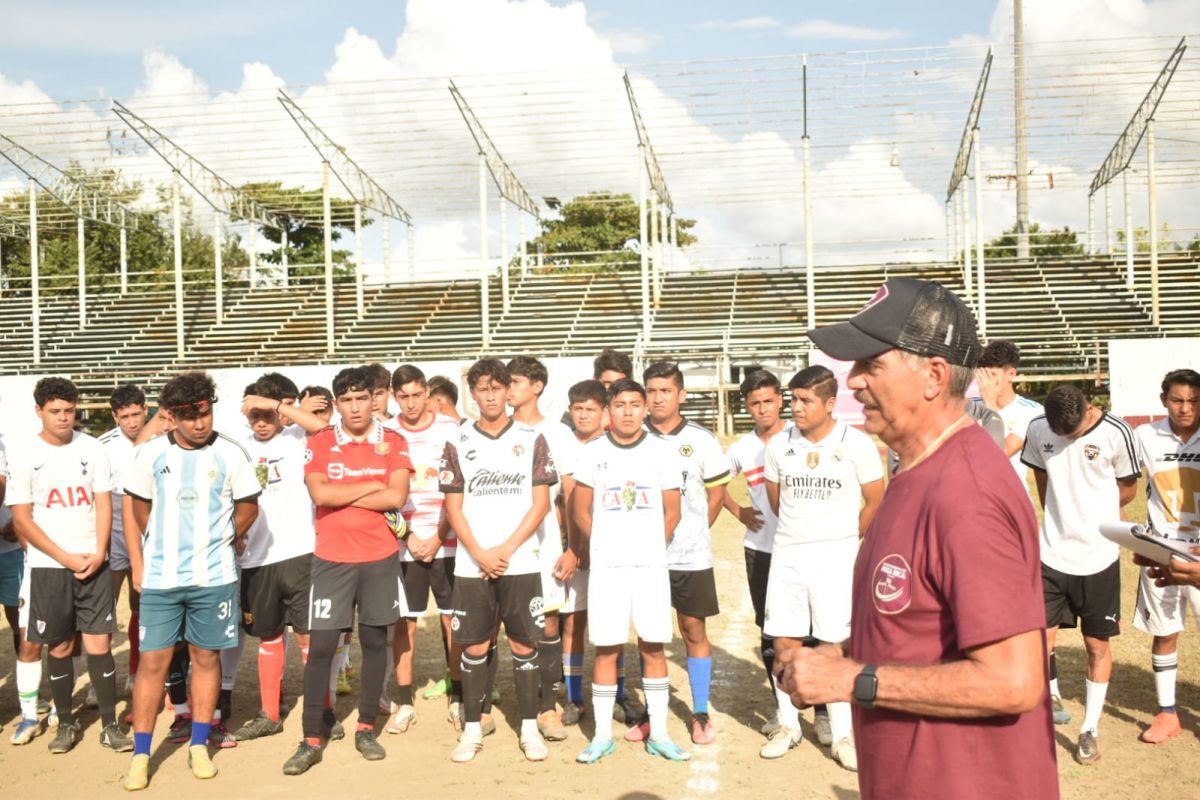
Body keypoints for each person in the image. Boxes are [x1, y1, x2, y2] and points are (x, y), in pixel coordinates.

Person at [777, 277, 1058, 800]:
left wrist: (853, 679)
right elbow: (918, 628)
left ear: (932, 375)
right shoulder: (918, 472)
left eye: (871, 364)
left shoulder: (966, 493)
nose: (853, 381)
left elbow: (1013, 682)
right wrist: (841, 654)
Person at [122, 372, 260, 790]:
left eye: (206, 412)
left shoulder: (231, 453)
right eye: (190, 415)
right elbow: (139, 510)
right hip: (162, 579)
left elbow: (248, 507)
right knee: (153, 663)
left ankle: (199, 743)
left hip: (213, 578)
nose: (200, 423)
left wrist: (218, 538)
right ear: (170, 416)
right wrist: (146, 559)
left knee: (206, 659)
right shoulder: (149, 455)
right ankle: (141, 753)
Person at [283, 367, 411, 776]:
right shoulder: (320, 441)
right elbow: (320, 492)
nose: (355, 407)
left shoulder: (393, 440)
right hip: (332, 559)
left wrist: (348, 496)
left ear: (373, 401)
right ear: (336, 404)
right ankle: (310, 739)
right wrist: (371, 489)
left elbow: (398, 495)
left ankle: (367, 727)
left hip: (379, 558)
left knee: (375, 644)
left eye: (362, 399)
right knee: (321, 648)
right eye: (347, 400)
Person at [760, 366, 884, 769]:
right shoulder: (779, 445)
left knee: (838, 646)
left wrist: (847, 538)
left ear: (831, 404)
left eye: (805, 400)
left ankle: (844, 736)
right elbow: (778, 502)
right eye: (793, 399)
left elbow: (876, 501)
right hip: (789, 555)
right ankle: (788, 724)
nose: (795, 407)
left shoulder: (858, 444)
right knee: (785, 643)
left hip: (837, 558)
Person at [439, 358, 557, 764]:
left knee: (525, 643)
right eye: (482, 389)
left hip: (519, 560)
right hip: (473, 563)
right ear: (472, 394)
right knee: (474, 645)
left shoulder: (533, 438)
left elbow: (541, 504)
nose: (490, 396)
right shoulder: (457, 441)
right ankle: (472, 729)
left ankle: (528, 729)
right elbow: (453, 508)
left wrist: (506, 549)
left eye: (497, 388)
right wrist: (480, 552)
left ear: (509, 390)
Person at [6, 377, 131, 755]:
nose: (63, 418)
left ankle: (109, 726)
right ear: (39, 411)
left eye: (69, 410)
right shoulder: (24, 453)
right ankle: (67, 722)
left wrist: (98, 552)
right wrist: (63, 557)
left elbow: (104, 504)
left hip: (93, 563)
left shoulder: (92, 448)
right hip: (49, 567)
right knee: (59, 647)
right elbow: (22, 519)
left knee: (99, 643)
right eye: (55, 411)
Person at [572, 378, 689, 763]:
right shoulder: (592, 453)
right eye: (619, 404)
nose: (627, 412)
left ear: (644, 409)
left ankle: (661, 733)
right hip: (608, 567)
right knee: (607, 647)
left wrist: (652, 542)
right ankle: (603, 735)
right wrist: (603, 542)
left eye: (634, 404)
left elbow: (673, 510)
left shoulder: (663, 451)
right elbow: (579, 510)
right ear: (609, 410)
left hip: (650, 566)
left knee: (653, 646)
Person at [1022, 383, 1138, 764]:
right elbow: (1042, 477)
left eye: (1072, 434)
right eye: (1061, 435)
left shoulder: (1117, 433)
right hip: (1051, 553)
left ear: (1089, 409)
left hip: (1099, 558)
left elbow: (1129, 489)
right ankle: (1043, 710)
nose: (1066, 439)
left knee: (1097, 646)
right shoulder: (1039, 429)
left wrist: (1094, 509)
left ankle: (1089, 728)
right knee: (1038, 640)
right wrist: (1060, 511)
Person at [636, 361, 730, 746]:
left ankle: (701, 711)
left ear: (681, 395)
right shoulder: (631, 437)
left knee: (693, 630)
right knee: (649, 635)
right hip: (644, 557)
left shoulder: (701, 439)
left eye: (665, 391)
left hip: (690, 557)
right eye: (652, 391)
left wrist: (693, 533)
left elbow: (718, 493)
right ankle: (652, 712)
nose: (657, 398)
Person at [231, 378, 327, 743]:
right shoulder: (239, 450)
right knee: (268, 636)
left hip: (301, 554)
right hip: (256, 559)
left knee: (309, 636)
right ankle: (269, 713)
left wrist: (278, 406)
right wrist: (236, 534)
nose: (260, 421)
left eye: (265, 412)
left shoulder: (296, 439)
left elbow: (326, 428)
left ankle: (322, 712)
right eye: (253, 414)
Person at [382, 364, 462, 731]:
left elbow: (460, 489)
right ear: (394, 396)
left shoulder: (451, 428)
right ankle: (403, 701)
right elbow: (383, 497)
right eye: (404, 396)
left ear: (427, 392)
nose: (411, 403)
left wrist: (438, 533)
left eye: (417, 394)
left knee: (452, 620)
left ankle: (458, 695)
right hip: (405, 544)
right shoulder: (386, 432)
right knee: (405, 625)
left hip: (448, 542)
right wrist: (409, 536)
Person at [507, 355, 578, 743]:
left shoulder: (558, 433)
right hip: (503, 545)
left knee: (549, 622)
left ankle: (548, 705)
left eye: (516, 381)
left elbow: (569, 494)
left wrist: (573, 549)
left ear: (536, 386)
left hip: (545, 542)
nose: (509, 388)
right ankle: (490, 706)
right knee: (510, 625)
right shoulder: (495, 430)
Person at [1130, 369, 1200, 744]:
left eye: (1193, 400)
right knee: (1164, 630)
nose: (1185, 408)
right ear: (1163, 401)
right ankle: (1167, 712)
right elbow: (1122, 479)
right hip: (1161, 550)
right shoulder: (1145, 436)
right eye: (1177, 400)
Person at [721, 369, 791, 735]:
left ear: (781, 400)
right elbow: (713, 484)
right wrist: (739, 511)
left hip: (798, 549)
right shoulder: (742, 449)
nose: (763, 409)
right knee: (770, 632)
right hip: (760, 551)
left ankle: (823, 711)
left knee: (811, 632)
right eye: (755, 403)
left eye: (768, 400)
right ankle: (782, 708)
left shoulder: (799, 438)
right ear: (746, 406)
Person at [559, 379, 607, 725]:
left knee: (610, 625)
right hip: (571, 550)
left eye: (591, 409)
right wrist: (575, 549)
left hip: (608, 550)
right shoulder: (560, 444)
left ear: (604, 412)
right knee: (573, 623)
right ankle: (574, 698)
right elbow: (565, 502)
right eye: (578, 408)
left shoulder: (613, 445)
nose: (584, 415)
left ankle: (617, 693)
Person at [99, 384, 148, 696]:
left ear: (146, 410)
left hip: (148, 532)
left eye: (136, 414)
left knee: (141, 607)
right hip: (114, 534)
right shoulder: (101, 446)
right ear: (115, 417)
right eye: (125, 416)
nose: (132, 421)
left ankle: (135, 672)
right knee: (103, 610)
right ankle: (100, 681)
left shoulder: (161, 437)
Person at [976, 340, 1043, 498]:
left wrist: (990, 405)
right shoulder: (967, 408)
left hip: (1010, 504)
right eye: (982, 376)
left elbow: (999, 454)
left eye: (992, 375)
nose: (986, 382)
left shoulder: (1031, 412)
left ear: (1011, 375)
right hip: (973, 505)